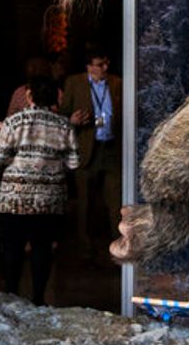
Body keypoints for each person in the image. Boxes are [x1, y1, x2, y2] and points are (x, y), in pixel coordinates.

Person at [0, 76, 78, 304]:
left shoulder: (13, 122)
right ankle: (38, 298)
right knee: (43, 247)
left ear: (29, 95)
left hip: (15, 198)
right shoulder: (64, 125)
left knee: (13, 246)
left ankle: (11, 294)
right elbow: (73, 163)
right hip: (49, 199)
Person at [60, 50, 123, 248]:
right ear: (88, 66)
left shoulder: (117, 83)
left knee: (116, 202)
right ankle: (85, 247)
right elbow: (63, 115)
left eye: (106, 63)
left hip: (111, 148)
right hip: (87, 148)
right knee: (85, 203)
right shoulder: (74, 83)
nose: (104, 68)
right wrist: (72, 121)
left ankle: (119, 245)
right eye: (99, 64)